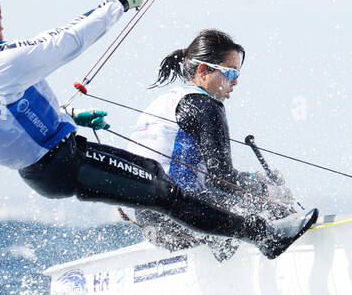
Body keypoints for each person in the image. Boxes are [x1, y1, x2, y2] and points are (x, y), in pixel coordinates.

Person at [0, 0, 316, 258]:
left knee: (156, 185)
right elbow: (68, 41)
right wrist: (120, 2)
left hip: (45, 169)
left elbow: (2, 117)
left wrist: (68, 116)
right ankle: (265, 237)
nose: (0, 18)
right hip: (65, 163)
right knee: (164, 192)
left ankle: (223, 240)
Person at [126, 30, 312, 248]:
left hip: (152, 222)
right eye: (230, 73)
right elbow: (221, 177)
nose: (235, 83)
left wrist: (254, 178)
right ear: (204, 70)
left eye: (238, 75)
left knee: (242, 203)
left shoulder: (162, 102)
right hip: (182, 214)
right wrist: (268, 191)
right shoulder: (205, 105)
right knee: (272, 207)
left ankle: (225, 257)